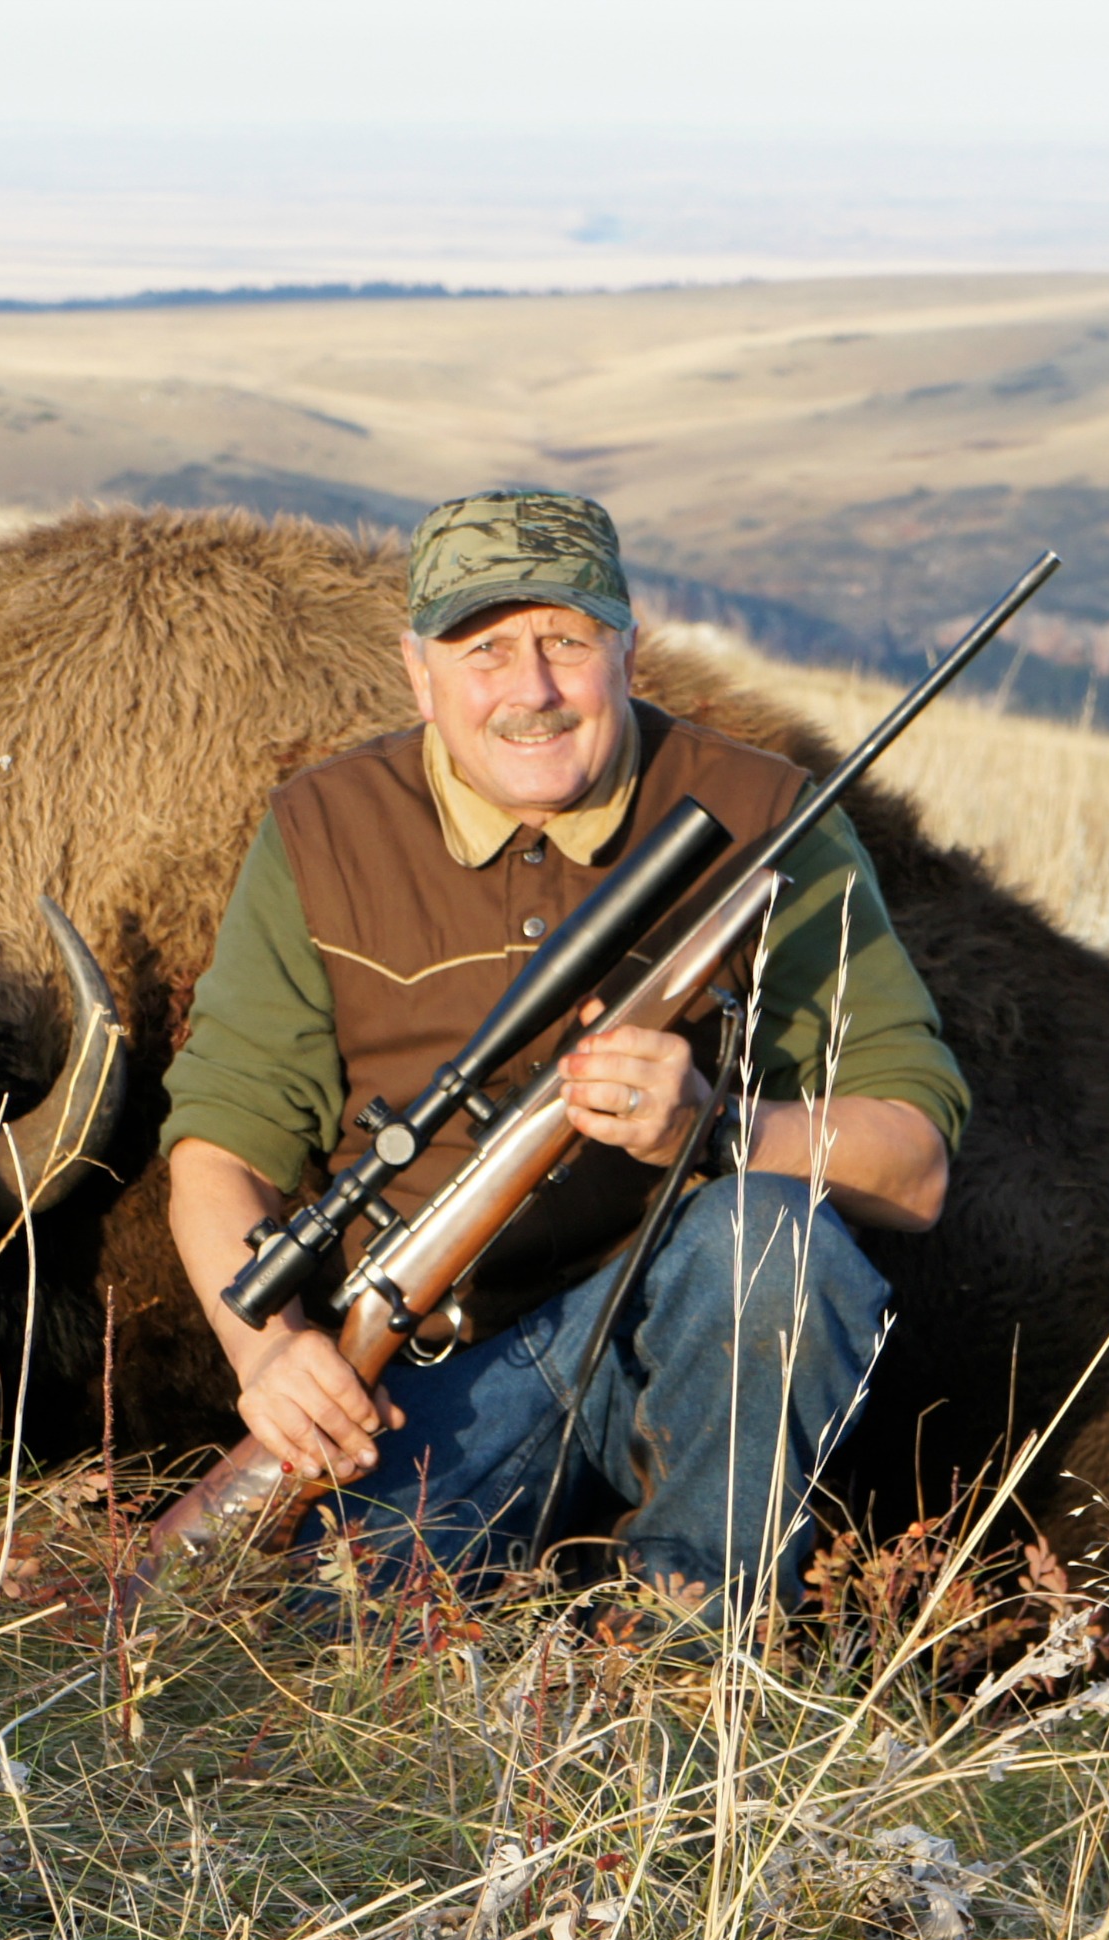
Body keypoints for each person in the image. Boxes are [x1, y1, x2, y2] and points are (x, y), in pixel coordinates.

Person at [158, 489, 969, 1624]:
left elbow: (916, 1163)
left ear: (627, 653)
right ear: (416, 672)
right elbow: (220, 1148)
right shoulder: (323, 829)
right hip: (436, 1374)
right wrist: (273, 1357)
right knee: (321, 1646)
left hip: (684, 1343)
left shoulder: (770, 816)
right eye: (483, 649)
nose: (530, 690)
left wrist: (719, 1128)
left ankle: (696, 1657)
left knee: (767, 1241)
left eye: (566, 644)